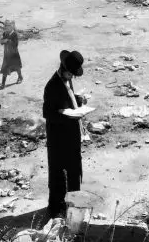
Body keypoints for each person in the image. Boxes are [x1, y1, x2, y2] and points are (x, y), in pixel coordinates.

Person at [43, 50, 88, 218]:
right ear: (62, 68)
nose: (71, 77)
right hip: (59, 139)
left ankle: (73, 205)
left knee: (75, 171)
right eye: (70, 73)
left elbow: (67, 97)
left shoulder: (66, 80)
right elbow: (48, 113)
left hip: (72, 135)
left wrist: (77, 99)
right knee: (58, 175)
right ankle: (55, 208)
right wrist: (68, 115)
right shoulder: (52, 86)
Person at [0, 21, 23, 88]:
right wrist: (3, 41)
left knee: (17, 67)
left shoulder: (14, 34)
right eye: (5, 27)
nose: (6, 28)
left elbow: (16, 45)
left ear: (11, 27)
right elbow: (2, 42)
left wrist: (8, 41)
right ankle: (3, 84)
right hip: (7, 55)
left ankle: (20, 77)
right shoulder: (4, 33)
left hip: (14, 54)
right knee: (5, 68)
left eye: (7, 26)